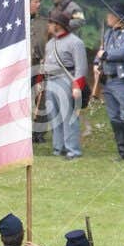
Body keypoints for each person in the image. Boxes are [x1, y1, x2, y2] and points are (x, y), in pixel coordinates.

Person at [96, 4, 124, 162]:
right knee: (114, 117)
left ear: (119, 17)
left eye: (111, 15)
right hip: (107, 79)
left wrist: (105, 55)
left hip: (122, 80)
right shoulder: (108, 34)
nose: (108, 18)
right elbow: (99, 53)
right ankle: (122, 152)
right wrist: (96, 63)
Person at [41, 11, 87, 159]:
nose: (48, 25)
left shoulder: (75, 42)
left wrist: (76, 87)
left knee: (68, 117)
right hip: (51, 81)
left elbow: (81, 67)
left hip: (66, 81)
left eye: (50, 23)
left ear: (58, 25)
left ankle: (72, 150)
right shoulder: (50, 43)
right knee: (54, 117)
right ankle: (58, 148)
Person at [29, 0, 49, 144]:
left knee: (41, 97)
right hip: (23, 66)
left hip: (40, 64)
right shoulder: (18, 21)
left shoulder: (44, 22)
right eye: (34, 1)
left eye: (38, 1)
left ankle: (39, 132)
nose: (38, 4)